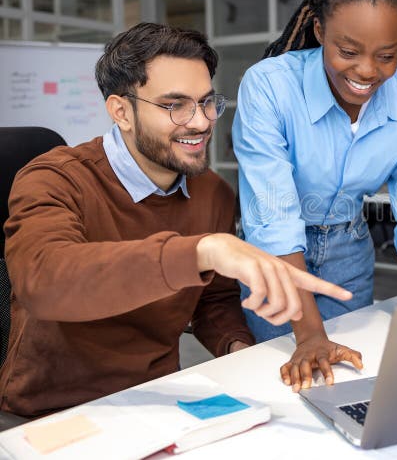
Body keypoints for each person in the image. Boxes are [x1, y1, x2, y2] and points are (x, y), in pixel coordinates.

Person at [0, 22, 351, 417]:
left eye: (206, 102)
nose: (201, 122)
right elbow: (44, 282)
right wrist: (201, 250)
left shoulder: (212, 192)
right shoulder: (55, 177)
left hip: (159, 400)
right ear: (121, 111)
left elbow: (211, 300)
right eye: (175, 106)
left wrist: (239, 350)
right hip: (54, 411)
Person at [234, 0, 397, 391]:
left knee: (353, 378)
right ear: (318, 30)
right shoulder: (270, 86)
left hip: (350, 248)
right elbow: (274, 218)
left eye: (386, 55)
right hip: (277, 258)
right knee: (294, 386)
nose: (367, 71)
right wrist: (310, 334)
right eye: (347, 51)